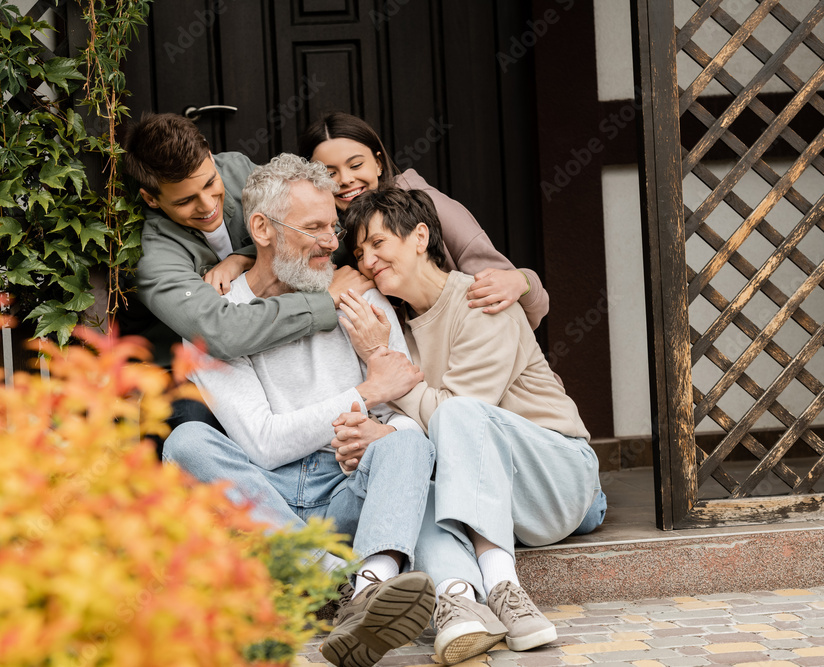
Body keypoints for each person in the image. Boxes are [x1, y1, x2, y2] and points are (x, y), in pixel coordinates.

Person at [163, 154, 439, 667]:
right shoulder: (220, 317)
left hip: (344, 491)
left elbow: (401, 400)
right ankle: (339, 583)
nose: (333, 242)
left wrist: (383, 428)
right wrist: (364, 395)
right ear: (262, 229)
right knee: (185, 445)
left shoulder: (361, 296)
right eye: (313, 228)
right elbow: (263, 445)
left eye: (333, 226)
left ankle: (370, 586)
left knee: (406, 439)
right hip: (263, 503)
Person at [333, 188, 606, 665]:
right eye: (359, 254)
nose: (370, 260)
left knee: (456, 413)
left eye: (378, 244)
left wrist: (381, 363)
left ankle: (504, 585)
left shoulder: (481, 299)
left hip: (556, 477)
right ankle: (458, 604)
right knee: (411, 484)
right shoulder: (396, 325)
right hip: (492, 500)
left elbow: (451, 414)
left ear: (420, 236)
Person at [120, 113, 372, 449]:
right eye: (184, 200)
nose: (207, 205)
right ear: (151, 198)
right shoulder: (152, 254)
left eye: (210, 183)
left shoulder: (238, 169)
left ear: (211, 158)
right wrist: (324, 302)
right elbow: (221, 333)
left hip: (273, 343)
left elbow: (319, 229)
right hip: (192, 368)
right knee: (186, 426)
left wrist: (242, 258)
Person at [298, 111, 549, 329]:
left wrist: (523, 282)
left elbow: (505, 283)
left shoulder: (425, 205)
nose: (345, 179)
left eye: (356, 165)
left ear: (377, 163)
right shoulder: (331, 237)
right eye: (329, 173)